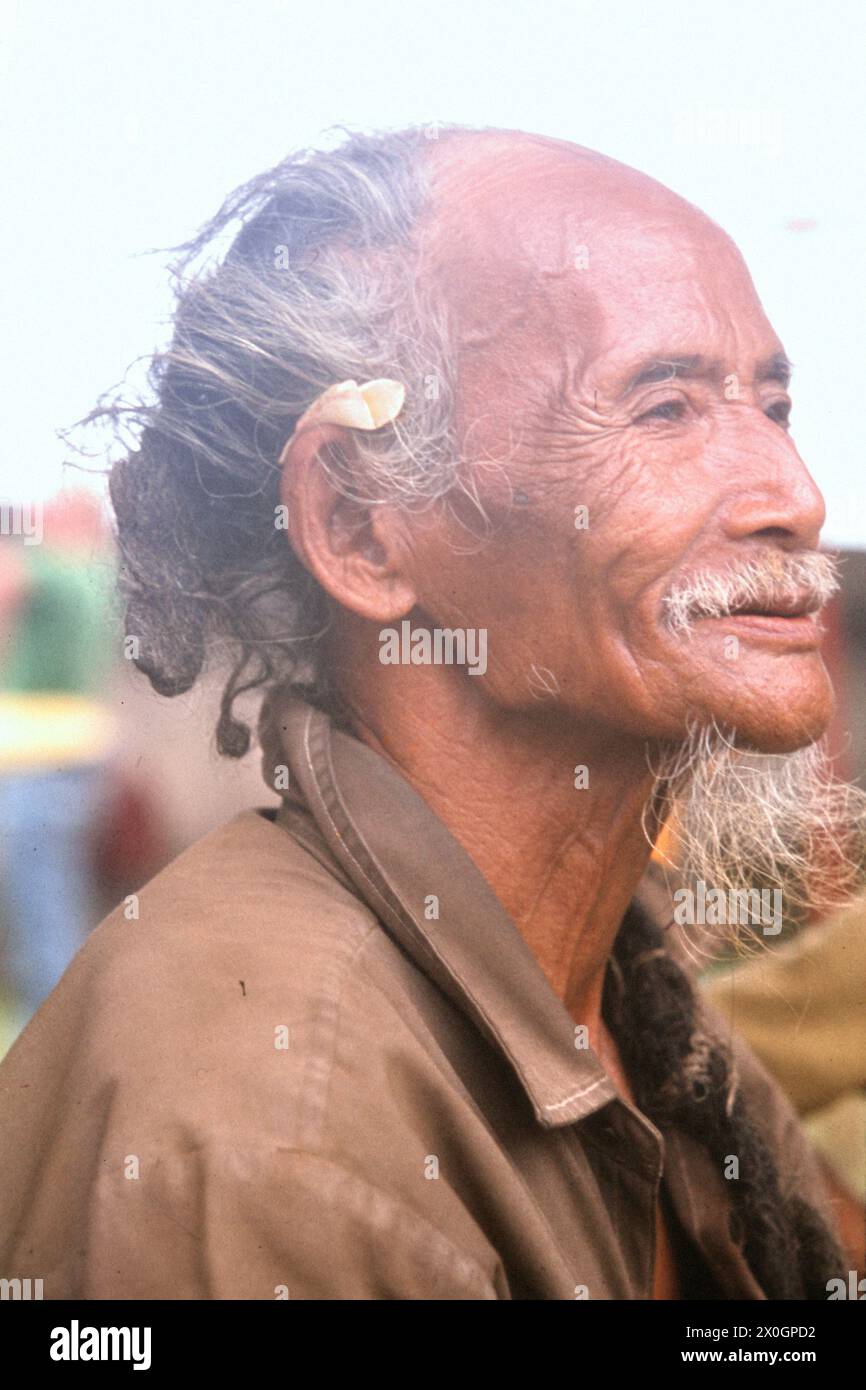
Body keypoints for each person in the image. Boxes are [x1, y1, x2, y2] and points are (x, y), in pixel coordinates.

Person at [1, 125, 863, 1299]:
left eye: (771, 405)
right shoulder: (266, 1140)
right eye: (662, 410)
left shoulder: (617, 985)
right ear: (359, 522)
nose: (793, 496)